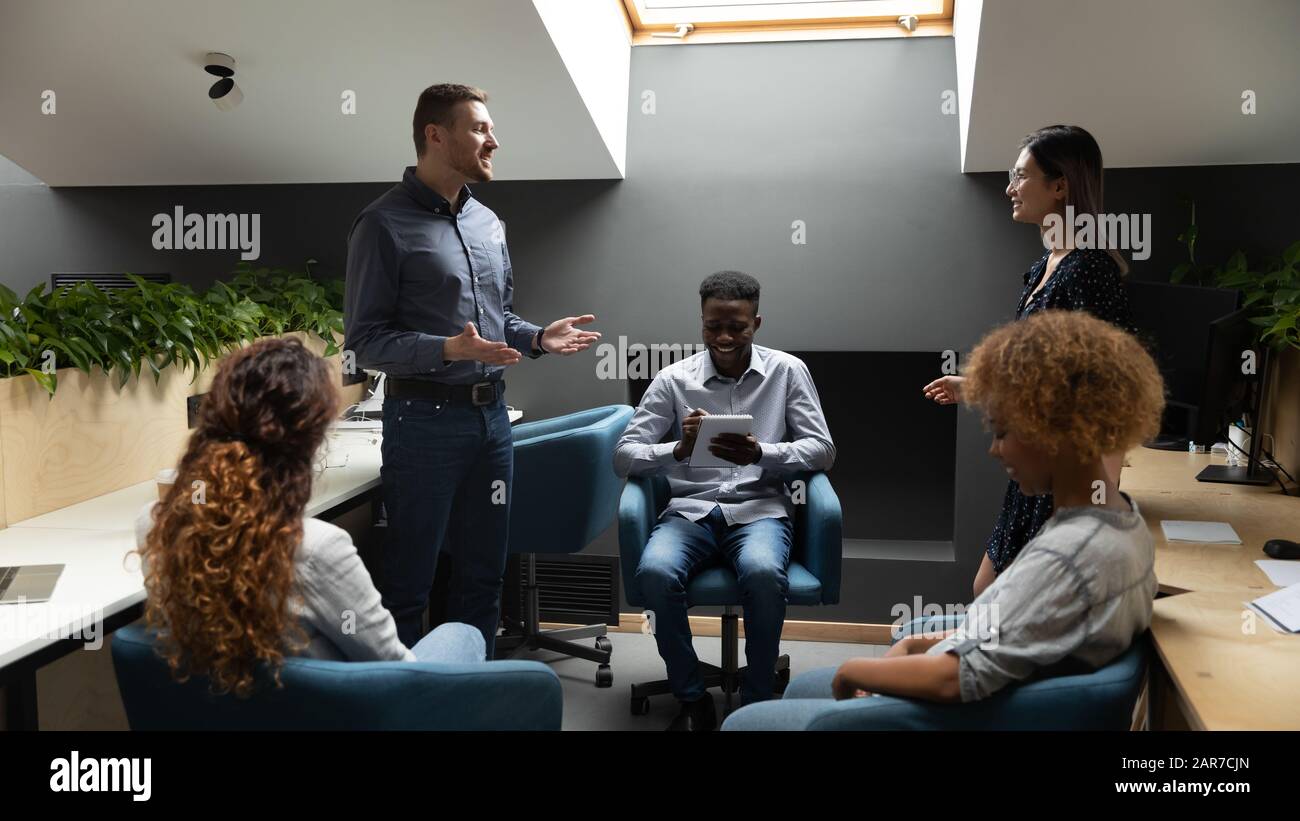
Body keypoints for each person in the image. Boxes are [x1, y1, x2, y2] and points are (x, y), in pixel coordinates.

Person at [343, 83, 600, 655]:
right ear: (436, 135)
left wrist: (537, 337)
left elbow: (497, 319)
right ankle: (405, 704)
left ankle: (473, 697)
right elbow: (364, 343)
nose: (494, 141)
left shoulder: (488, 223)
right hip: (423, 425)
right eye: (480, 129)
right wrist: (446, 350)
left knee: (484, 576)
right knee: (410, 582)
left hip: (491, 428)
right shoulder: (381, 225)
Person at [829, 310, 1164, 704]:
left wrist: (851, 669)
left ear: (1056, 430)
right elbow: (1012, 626)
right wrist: (915, 646)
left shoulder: (1067, 558)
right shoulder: (1120, 519)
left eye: (1002, 432)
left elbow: (950, 681)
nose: (994, 449)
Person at [136, 338, 484, 698]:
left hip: (226, 714)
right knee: (462, 636)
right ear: (311, 438)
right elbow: (394, 668)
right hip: (339, 714)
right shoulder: (317, 547)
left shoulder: (155, 521)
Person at [613, 271, 835, 730]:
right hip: (690, 512)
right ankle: (692, 696)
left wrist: (763, 453)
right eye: (714, 326)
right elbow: (623, 456)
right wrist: (675, 449)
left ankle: (757, 701)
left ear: (757, 321)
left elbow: (822, 450)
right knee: (654, 572)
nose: (725, 337)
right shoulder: (674, 379)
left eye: (738, 326)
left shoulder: (788, 371)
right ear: (701, 322)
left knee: (760, 571)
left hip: (759, 511)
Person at [923, 124, 1136, 597]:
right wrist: (974, 386)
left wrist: (1100, 489)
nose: (1009, 188)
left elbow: (1112, 386)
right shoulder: (1046, 265)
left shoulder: (1087, 270)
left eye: (1021, 176)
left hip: (1067, 472)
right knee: (987, 593)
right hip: (1036, 466)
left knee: (1002, 603)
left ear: (1060, 186)